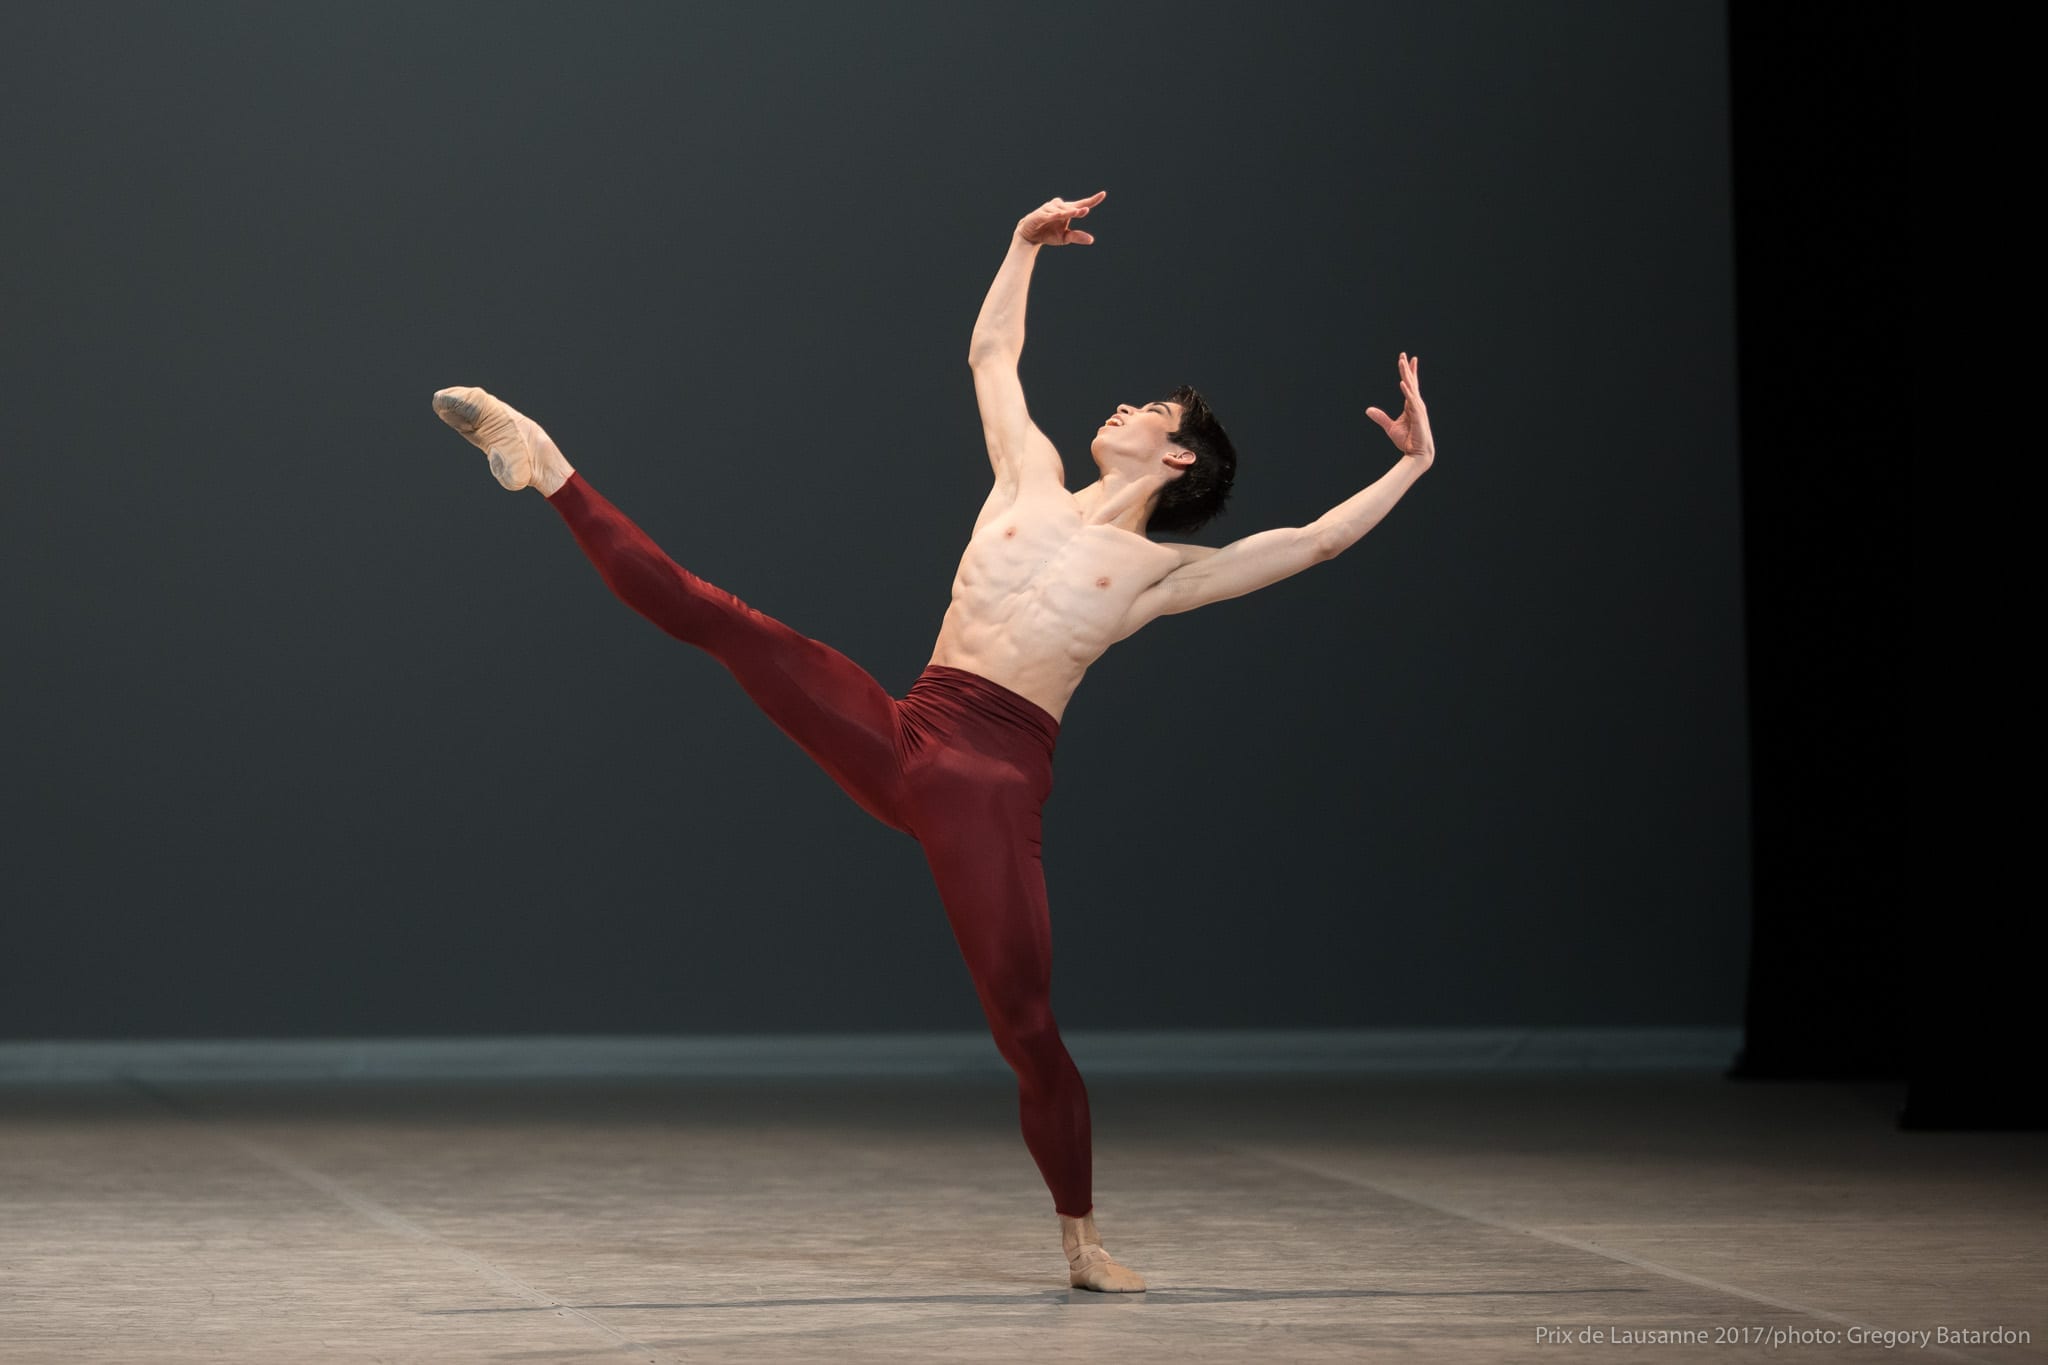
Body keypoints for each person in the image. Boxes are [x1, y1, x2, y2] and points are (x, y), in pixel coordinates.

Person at [430, 189, 1436, 1292]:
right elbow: (991, 353)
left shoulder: (1160, 573)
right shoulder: (1027, 477)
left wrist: (1409, 466)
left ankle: (1081, 1240)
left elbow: (1313, 542)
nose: (1126, 404)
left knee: (1025, 1025)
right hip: (908, 727)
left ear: (1181, 460)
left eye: (1153, 410)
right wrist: (1021, 245)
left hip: (993, 786)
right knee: (725, 621)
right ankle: (546, 463)